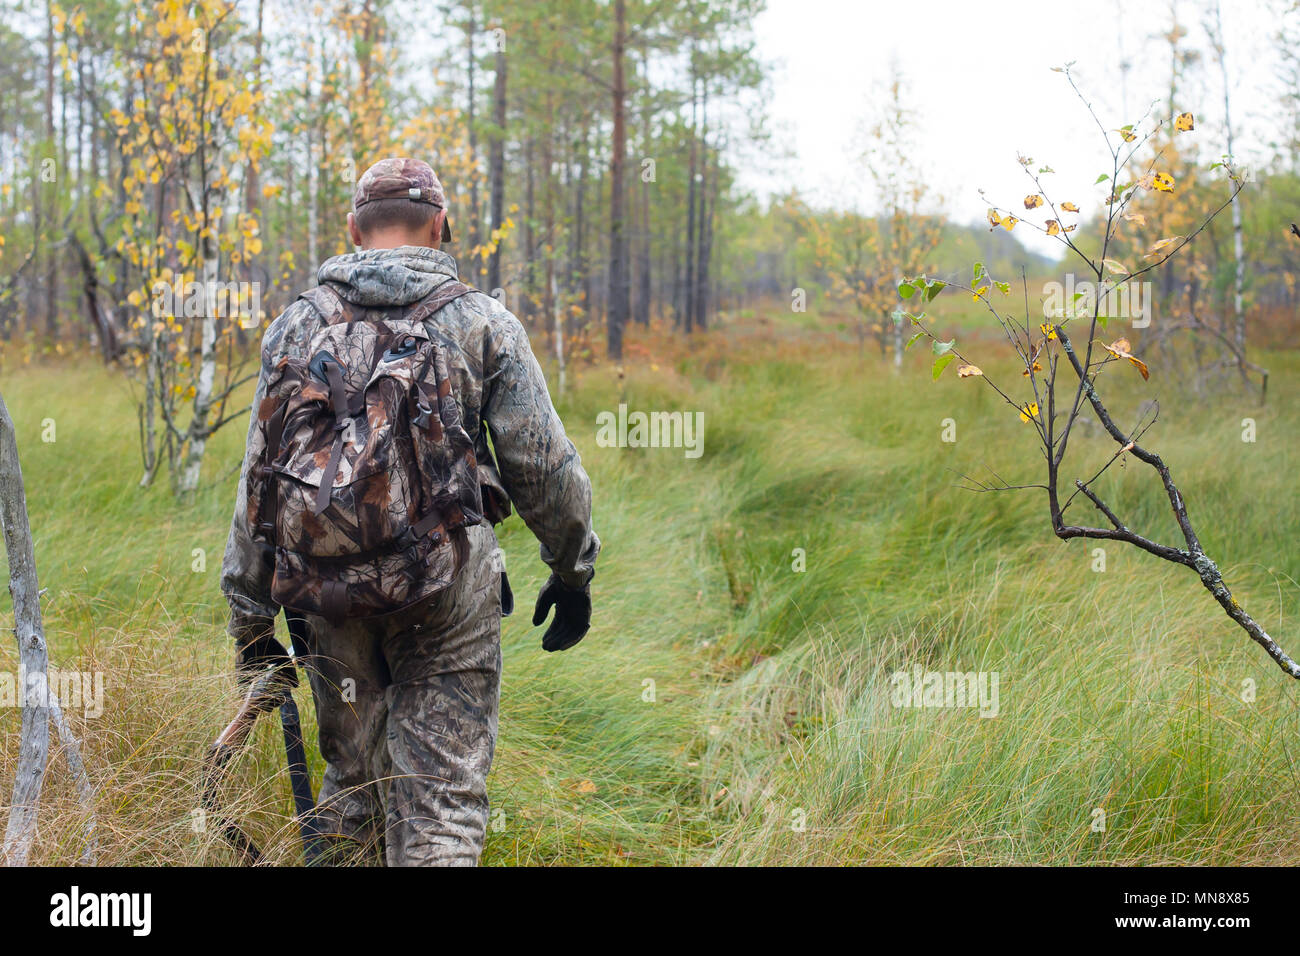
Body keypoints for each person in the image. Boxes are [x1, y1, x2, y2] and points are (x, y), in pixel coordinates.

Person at [219, 157, 600, 866]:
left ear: (353, 230)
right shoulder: (482, 321)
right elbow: (543, 467)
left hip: (326, 599)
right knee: (442, 799)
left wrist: (250, 620)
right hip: (445, 590)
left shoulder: (294, 327)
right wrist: (573, 572)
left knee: (351, 792)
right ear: (441, 224)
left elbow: (259, 484)